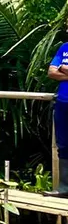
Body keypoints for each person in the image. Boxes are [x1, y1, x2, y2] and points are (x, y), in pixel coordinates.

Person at [47, 40, 68, 196]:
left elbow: (58, 69)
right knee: (63, 144)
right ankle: (63, 187)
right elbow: (51, 72)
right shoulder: (64, 47)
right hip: (63, 102)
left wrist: (63, 68)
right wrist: (62, 69)